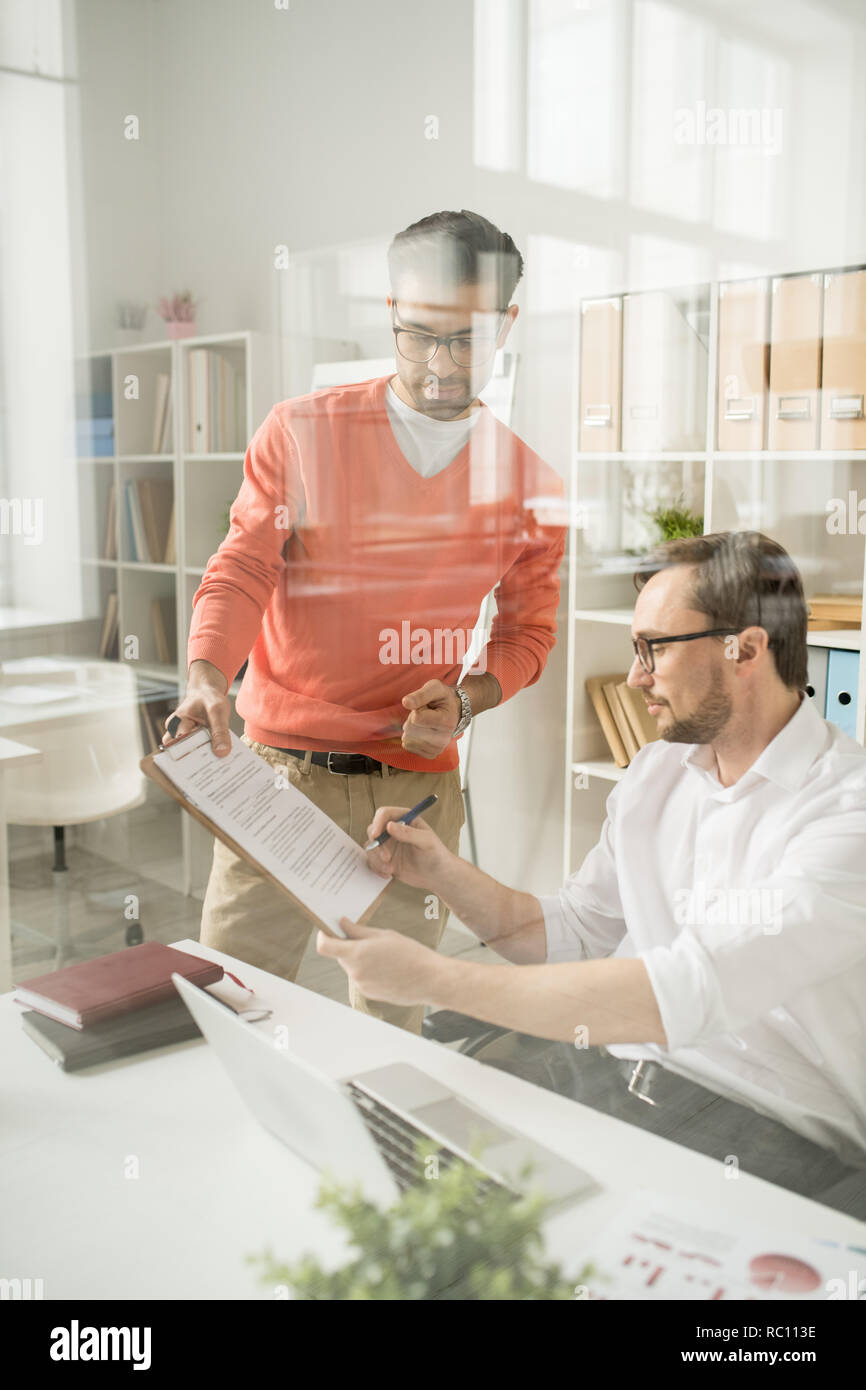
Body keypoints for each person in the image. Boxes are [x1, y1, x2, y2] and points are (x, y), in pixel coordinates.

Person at [319, 531, 866, 1212]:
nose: (635, 677)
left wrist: (439, 981)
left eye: (653, 649)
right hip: (608, 1069)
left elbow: (685, 991)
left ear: (746, 649)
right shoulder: (660, 771)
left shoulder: (847, 814)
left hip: (765, 1134)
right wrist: (441, 871)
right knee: (397, 1174)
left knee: (514, 1243)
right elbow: (572, 930)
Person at [164, 209, 566, 1034]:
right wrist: (208, 672)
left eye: (469, 340)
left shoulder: (528, 483)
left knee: (393, 1031)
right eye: (420, 336)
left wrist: (465, 703)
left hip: (414, 803)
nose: (443, 365)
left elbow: (527, 636)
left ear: (507, 325)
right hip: (277, 786)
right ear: (390, 312)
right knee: (226, 1004)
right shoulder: (302, 433)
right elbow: (244, 564)